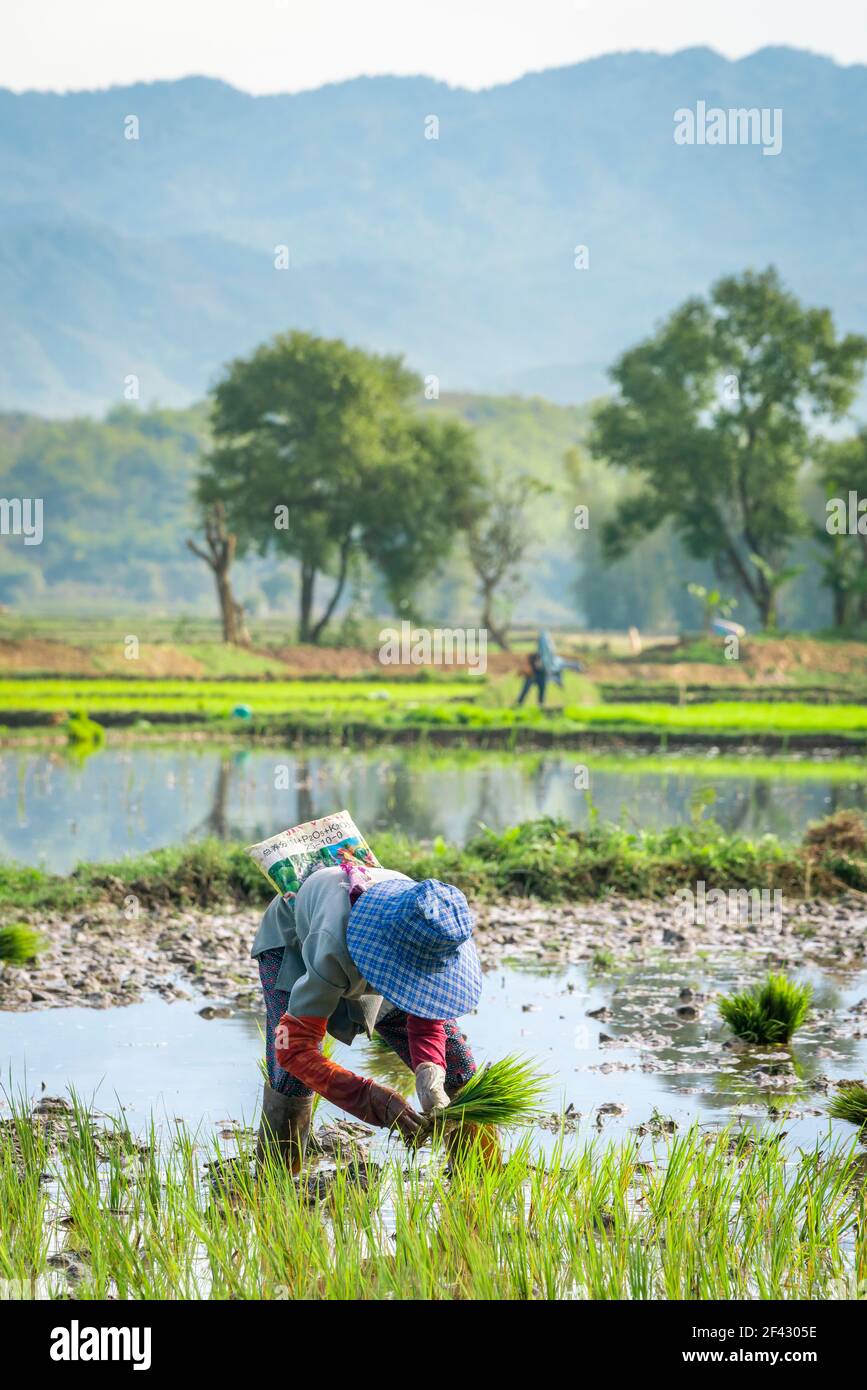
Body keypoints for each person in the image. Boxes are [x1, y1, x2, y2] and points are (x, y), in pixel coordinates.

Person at [251, 863, 483, 1169]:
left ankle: (478, 1176)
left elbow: (426, 1017)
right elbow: (295, 1049)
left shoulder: (432, 928)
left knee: (458, 1067)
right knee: (293, 1076)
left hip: (374, 945)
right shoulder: (332, 944)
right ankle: (276, 1179)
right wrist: (372, 1100)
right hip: (294, 939)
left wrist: (431, 1076)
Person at [516, 630, 584, 707]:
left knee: (539, 691)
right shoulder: (541, 652)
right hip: (534, 674)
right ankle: (521, 704)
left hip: (541, 673)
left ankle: (538, 706)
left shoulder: (545, 652)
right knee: (529, 690)